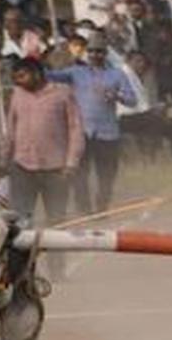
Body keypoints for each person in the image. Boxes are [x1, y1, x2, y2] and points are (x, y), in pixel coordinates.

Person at [4, 56, 84, 278]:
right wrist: (4, 158)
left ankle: (57, 269)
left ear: (37, 73)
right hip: (22, 167)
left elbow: (76, 128)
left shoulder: (63, 93)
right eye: (15, 77)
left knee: (56, 220)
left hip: (55, 169)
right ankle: (23, 272)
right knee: (21, 222)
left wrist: (71, 163)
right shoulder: (17, 95)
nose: (18, 81)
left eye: (22, 76)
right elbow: (10, 128)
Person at [46, 34, 136, 215]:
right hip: (82, 133)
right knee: (80, 175)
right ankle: (84, 210)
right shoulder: (76, 72)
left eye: (99, 51)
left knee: (107, 175)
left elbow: (132, 100)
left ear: (105, 53)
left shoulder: (116, 74)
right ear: (87, 53)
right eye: (92, 51)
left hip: (108, 132)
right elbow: (50, 76)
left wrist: (116, 96)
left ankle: (102, 206)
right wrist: (42, 59)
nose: (95, 55)